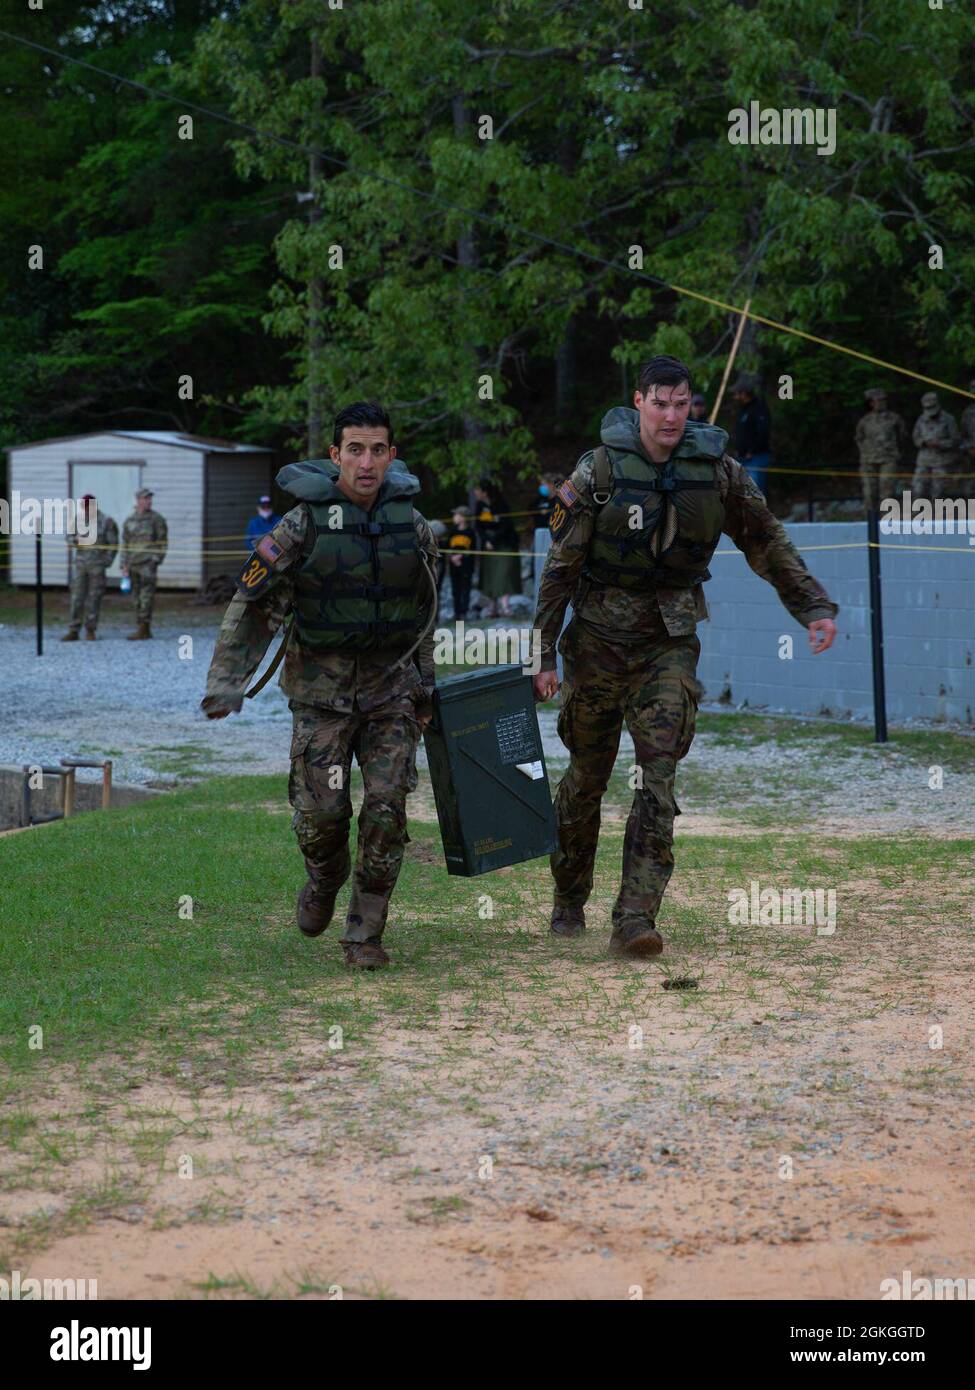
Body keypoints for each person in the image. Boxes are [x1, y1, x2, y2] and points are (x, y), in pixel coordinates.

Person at [532, 355, 838, 959]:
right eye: (661, 403)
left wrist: (812, 606)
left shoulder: (716, 472)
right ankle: (569, 896)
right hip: (595, 643)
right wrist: (542, 652)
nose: (672, 416)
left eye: (682, 404)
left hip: (668, 644)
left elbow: (765, 537)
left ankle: (635, 919)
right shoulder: (598, 472)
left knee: (658, 779)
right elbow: (560, 567)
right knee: (586, 781)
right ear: (639, 401)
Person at [201, 401, 439, 971]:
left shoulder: (412, 525)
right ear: (335, 456)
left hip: (391, 693)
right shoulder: (302, 524)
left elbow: (427, 611)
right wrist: (226, 682)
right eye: (354, 450)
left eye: (377, 450)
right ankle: (324, 877)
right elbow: (254, 604)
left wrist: (426, 685)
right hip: (320, 698)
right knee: (323, 817)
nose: (366, 462)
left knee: (386, 809)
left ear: (391, 456)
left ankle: (364, 934)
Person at [61, 494, 118, 642]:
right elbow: (68, 537)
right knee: (76, 597)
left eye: (88, 507)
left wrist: (107, 561)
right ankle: (74, 629)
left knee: (94, 598)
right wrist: (75, 540)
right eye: (83, 507)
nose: (85, 510)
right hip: (80, 565)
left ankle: (90, 630)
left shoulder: (107, 521)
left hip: (97, 566)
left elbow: (113, 544)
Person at [120, 487, 168, 640]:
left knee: (146, 596)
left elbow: (162, 542)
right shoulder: (130, 520)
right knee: (136, 597)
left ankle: (144, 627)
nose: (149, 501)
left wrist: (156, 559)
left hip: (147, 563)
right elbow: (125, 544)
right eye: (146, 498)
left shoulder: (156, 519)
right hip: (133, 563)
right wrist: (124, 564)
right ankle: (140, 625)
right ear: (138, 500)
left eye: (150, 498)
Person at [855, 388, 908, 512]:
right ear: (872, 403)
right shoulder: (865, 421)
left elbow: (903, 436)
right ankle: (870, 521)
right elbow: (859, 438)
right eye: (878, 401)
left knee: (887, 491)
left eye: (883, 400)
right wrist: (864, 452)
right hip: (868, 460)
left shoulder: (894, 418)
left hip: (888, 458)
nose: (881, 403)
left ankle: (886, 520)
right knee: (869, 492)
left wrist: (896, 452)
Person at [473, 480, 520, 617]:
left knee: (504, 574)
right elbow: (478, 526)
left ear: (485, 492)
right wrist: (486, 540)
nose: (475, 493)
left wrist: (493, 539)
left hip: (504, 542)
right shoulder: (479, 505)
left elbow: (506, 525)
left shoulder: (501, 504)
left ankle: (505, 606)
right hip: (488, 545)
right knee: (490, 575)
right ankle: (492, 607)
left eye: (477, 490)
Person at [912, 391, 961, 500]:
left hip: (941, 462)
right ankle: (918, 514)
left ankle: (937, 514)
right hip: (923, 461)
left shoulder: (949, 419)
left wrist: (940, 444)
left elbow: (956, 440)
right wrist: (923, 442)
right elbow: (915, 437)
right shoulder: (921, 419)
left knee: (938, 492)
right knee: (918, 489)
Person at [731, 374, 772, 495]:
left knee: (755, 493)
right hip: (743, 459)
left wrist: (752, 451)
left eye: (736, 393)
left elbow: (763, 432)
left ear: (744, 393)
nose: (735, 397)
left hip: (756, 459)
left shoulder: (759, 408)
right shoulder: (744, 409)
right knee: (744, 494)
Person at [446, 505, 476, 620]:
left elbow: (472, 549)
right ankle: (456, 612)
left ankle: (464, 612)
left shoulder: (470, 532)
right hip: (454, 566)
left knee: (465, 589)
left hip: (466, 566)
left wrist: (461, 557)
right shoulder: (453, 531)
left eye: (456, 515)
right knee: (455, 589)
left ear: (463, 518)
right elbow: (448, 547)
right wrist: (452, 558)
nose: (454, 517)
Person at [960, 377, 975, 501]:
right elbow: (962, 435)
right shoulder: (968, 412)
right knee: (969, 488)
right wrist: (968, 447)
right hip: (971, 455)